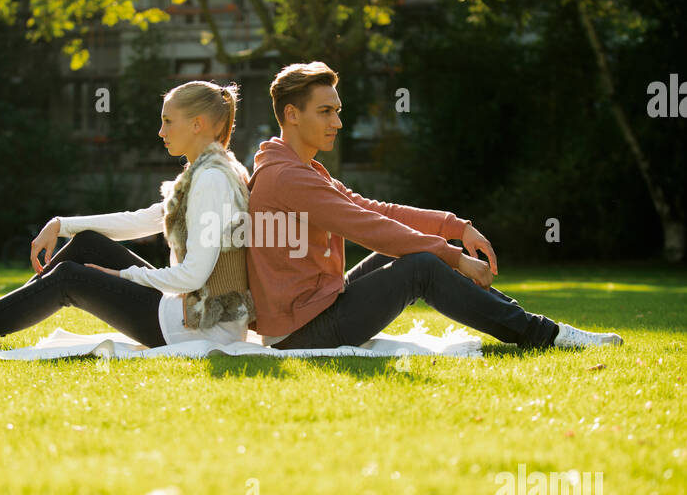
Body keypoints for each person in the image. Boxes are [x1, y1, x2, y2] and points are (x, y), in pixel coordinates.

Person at [246, 61, 624, 352]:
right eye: (326, 111)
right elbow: (367, 226)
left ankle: (536, 326)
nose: (338, 122)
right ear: (292, 115)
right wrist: (455, 257)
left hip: (314, 308)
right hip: (298, 334)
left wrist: (454, 227)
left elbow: (375, 211)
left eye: (337, 110)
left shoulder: (297, 168)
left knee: (407, 256)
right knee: (421, 266)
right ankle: (542, 334)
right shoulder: (288, 177)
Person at [0, 81, 255, 356]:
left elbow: (193, 276)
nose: (160, 131)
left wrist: (121, 276)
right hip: (191, 314)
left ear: (198, 124)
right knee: (88, 244)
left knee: (71, 279)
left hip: (199, 327)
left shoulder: (211, 181)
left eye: (168, 121)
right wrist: (63, 225)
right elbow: (144, 220)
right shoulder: (206, 173)